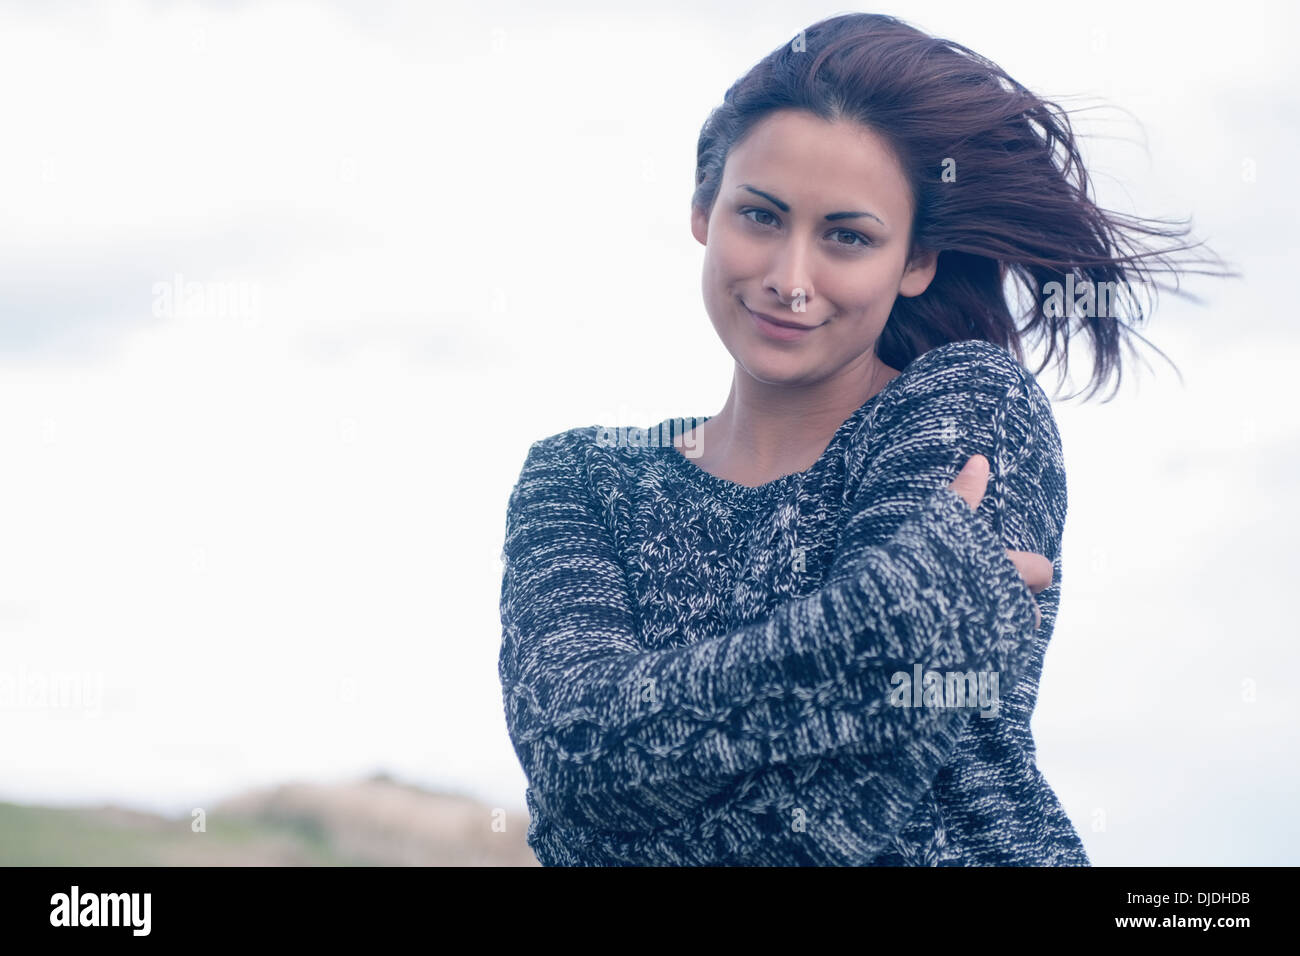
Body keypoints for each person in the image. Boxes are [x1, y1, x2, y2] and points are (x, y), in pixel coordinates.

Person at [497, 12, 1232, 866]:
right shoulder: (582, 479)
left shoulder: (967, 408)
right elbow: (572, 753)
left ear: (914, 262)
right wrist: (898, 620)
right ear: (704, 210)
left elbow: (886, 798)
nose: (790, 280)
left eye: (847, 236)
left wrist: (629, 808)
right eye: (761, 216)